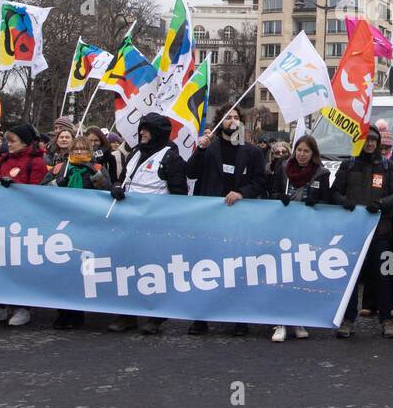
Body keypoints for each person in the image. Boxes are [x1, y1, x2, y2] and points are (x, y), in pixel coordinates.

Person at [186, 107, 268, 336]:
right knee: (206, 267)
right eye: (228, 117)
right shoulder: (209, 148)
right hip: (210, 218)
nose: (232, 121)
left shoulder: (251, 152)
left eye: (236, 118)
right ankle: (201, 317)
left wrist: (242, 192)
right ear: (220, 121)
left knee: (237, 267)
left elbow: (260, 181)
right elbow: (191, 173)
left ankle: (239, 317)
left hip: (239, 219)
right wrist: (199, 150)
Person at [107, 113, 188, 334]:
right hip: (129, 225)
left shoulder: (171, 159)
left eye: (147, 129)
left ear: (158, 133)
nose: (141, 132)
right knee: (128, 269)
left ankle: (156, 316)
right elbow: (123, 179)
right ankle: (127, 314)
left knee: (155, 272)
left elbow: (180, 196)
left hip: (156, 228)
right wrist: (116, 187)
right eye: (141, 128)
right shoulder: (134, 153)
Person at [331, 125, 393, 338]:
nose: (370, 143)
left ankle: (386, 319)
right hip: (353, 232)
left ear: (379, 142)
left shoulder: (388, 166)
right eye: (366, 139)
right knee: (352, 278)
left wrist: (382, 203)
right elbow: (334, 192)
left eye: (373, 139)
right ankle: (348, 319)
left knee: (384, 276)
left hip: (381, 232)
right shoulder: (349, 165)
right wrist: (344, 202)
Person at [41, 134, 114, 329]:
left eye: (84, 149)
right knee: (62, 269)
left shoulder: (98, 169)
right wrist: (58, 183)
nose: (79, 152)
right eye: (76, 149)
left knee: (81, 270)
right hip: (63, 226)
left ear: (90, 152)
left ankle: (78, 311)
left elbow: (107, 192)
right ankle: (63, 312)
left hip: (87, 226)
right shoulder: (60, 169)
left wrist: (97, 179)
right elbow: (41, 192)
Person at [265, 134, 330, 342]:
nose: (302, 155)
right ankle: (279, 321)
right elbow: (272, 192)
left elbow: (326, 200)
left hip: (305, 230)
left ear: (313, 154)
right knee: (281, 274)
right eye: (299, 150)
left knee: (300, 275)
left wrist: (316, 199)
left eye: (306, 151)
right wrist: (279, 198)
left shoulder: (321, 173)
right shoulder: (283, 169)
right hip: (282, 228)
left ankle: (298, 318)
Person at [0, 124, 48, 328]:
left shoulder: (36, 162)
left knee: (21, 264)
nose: (8, 144)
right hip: (1, 218)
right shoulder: (3, 160)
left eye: (13, 141)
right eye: (7, 140)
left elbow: (37, 192)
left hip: (24, 221)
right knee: (0, 263)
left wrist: (17, 186)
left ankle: (22, 306)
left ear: (26, 142)